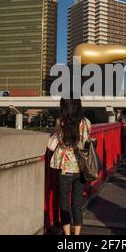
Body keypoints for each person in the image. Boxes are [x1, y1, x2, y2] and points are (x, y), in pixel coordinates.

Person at [50, 97, 92, 235]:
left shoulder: (60, 122)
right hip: (81, 169)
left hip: (65, 169)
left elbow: (57, 141)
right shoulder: (86, 123)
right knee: (77, 203)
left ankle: (67, 235)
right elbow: (86, 141)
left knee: (64, 204)